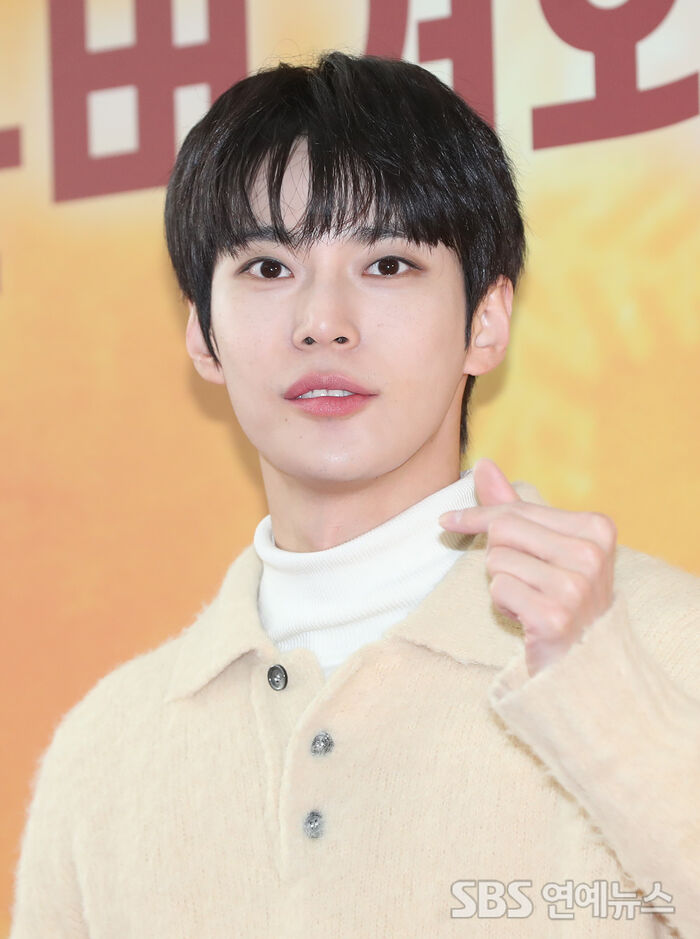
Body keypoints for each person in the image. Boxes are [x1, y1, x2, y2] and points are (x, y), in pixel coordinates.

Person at [10, 51, 700, 937]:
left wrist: (602, 694)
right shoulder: (104, 749)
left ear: (486, 321)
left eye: (388, 264)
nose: (323, 322)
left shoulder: (665, 646)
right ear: (203, 337)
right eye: (268, 268)